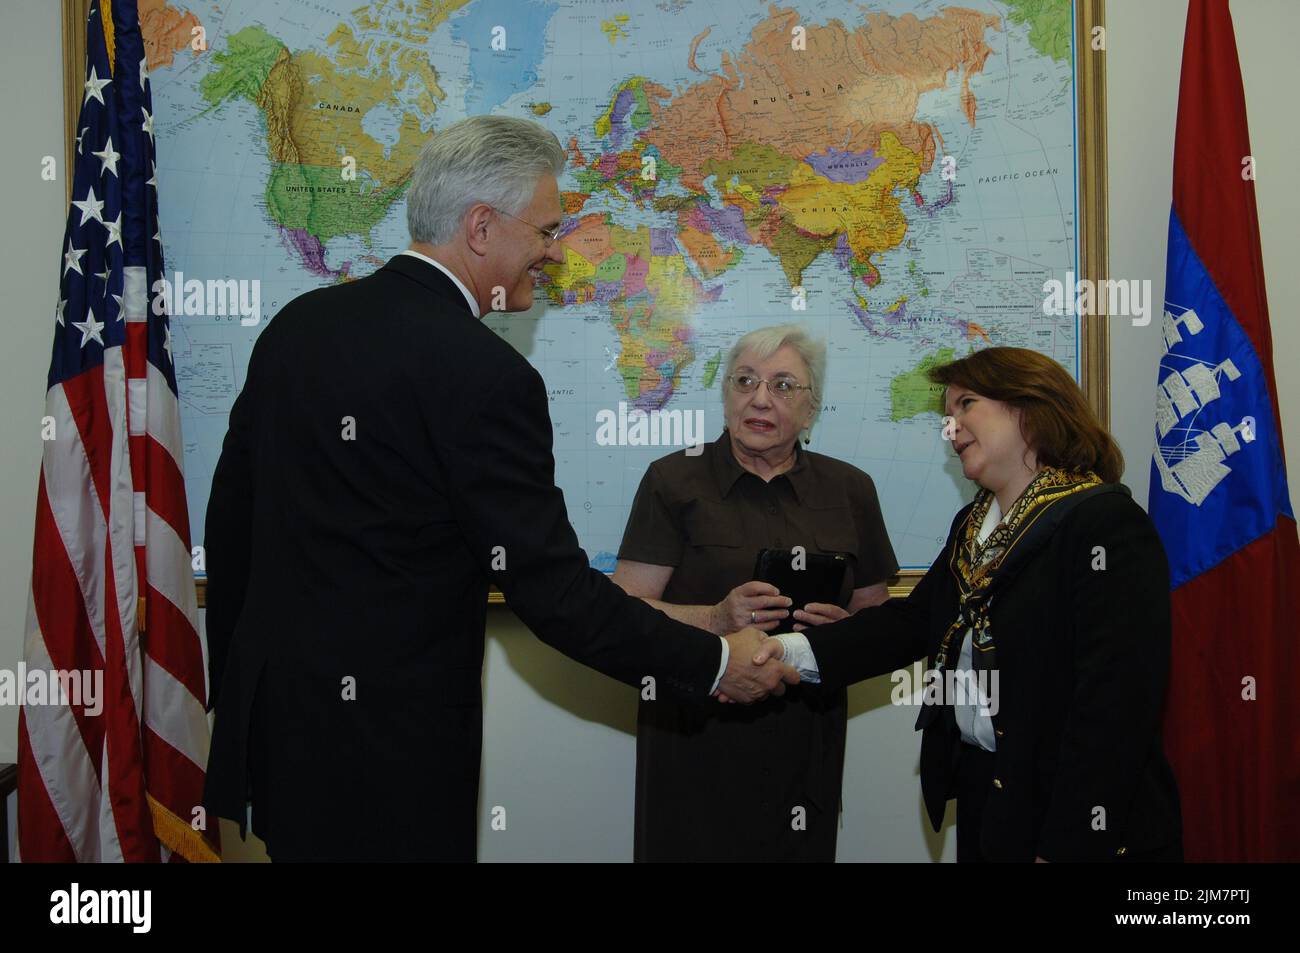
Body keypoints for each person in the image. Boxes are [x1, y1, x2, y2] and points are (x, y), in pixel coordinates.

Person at [201, 116, 797, 862]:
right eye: (545, 229)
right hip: (395, 767)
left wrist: (240, 696)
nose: (552, 251)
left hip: (283, 744)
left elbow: (230, 529)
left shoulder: (298, 326)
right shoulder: (487, 376)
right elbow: (550, 590)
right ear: (481, 226)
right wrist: (709, 663)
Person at [755, 346, 1183, 862]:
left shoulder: (1104, 526)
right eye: (947, 413)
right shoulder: (974, 529)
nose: (951, 426)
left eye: (967, 404)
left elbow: (1114, 709)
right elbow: (910, 624)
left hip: (1077, 817)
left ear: (1029, 408)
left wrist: (1066, 847)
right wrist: (783, 652)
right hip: (990, 797)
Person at [614, 325, 898, 861]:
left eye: (783, 385)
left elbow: (878, 622)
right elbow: (625, 611)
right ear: (725, 397)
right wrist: (717, 618)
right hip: (693, 736)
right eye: (745, 382)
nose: (760, 398)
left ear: (811, 410)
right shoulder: (673, 480)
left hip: (804, 740)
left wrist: (843, 638)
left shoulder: (850, 489)